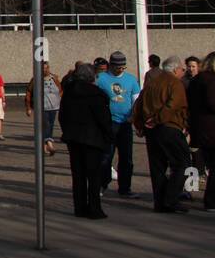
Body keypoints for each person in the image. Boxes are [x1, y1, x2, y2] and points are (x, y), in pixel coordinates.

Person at [135, 56, 192, 214]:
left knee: (158, 166)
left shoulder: (152, 82)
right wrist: (159, 119)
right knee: (182, 163)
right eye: (182, 69)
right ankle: (170, 199)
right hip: (169, 127)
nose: (183, 72)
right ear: (175, 70)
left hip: (152, 129)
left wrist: (139, 124)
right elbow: (175, 104)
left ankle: (160, 202)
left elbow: (138, 103)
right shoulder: (175, 83)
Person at [59, 63, 116, 218]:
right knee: (94, 176)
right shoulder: (96, 94)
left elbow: (62, 115)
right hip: (93, 139)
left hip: (74, 138)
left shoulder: (68, 93)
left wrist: (67, 131)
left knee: (78, 176)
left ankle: (80, 207)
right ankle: (94, 208)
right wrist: (109, 135)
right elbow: (103, 118)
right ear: (92, 77)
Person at [187, 51, 215, 213]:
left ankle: (211, 199)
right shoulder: (211, 80)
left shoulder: (197, 80)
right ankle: (213, 200)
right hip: (211, 129)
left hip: (199, 127)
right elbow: (214, 104)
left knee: (210, 164)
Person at [96, 51, 140, 198]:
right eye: (117, 67)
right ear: (111, 65)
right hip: (109, 123)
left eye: (123, 67)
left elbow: (136, 100)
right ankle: (102, 184)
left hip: (125, 124)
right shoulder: (101, 79)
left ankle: (125, 188)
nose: (120, 69)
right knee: (106, 156)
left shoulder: (131, 80)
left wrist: (133, 116)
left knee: (126, 157)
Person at [25, 61, 62, 156]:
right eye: (44, 68)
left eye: (47, 68)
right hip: (41, 108)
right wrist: (29, 107)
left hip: (53, 107)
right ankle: (50, 144)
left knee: (50, 125)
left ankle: (44, 147)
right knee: (46, 126)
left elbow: (60, 91)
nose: (46, 70)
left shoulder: (54, 79)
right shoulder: (36, 80)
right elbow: (29, 92)